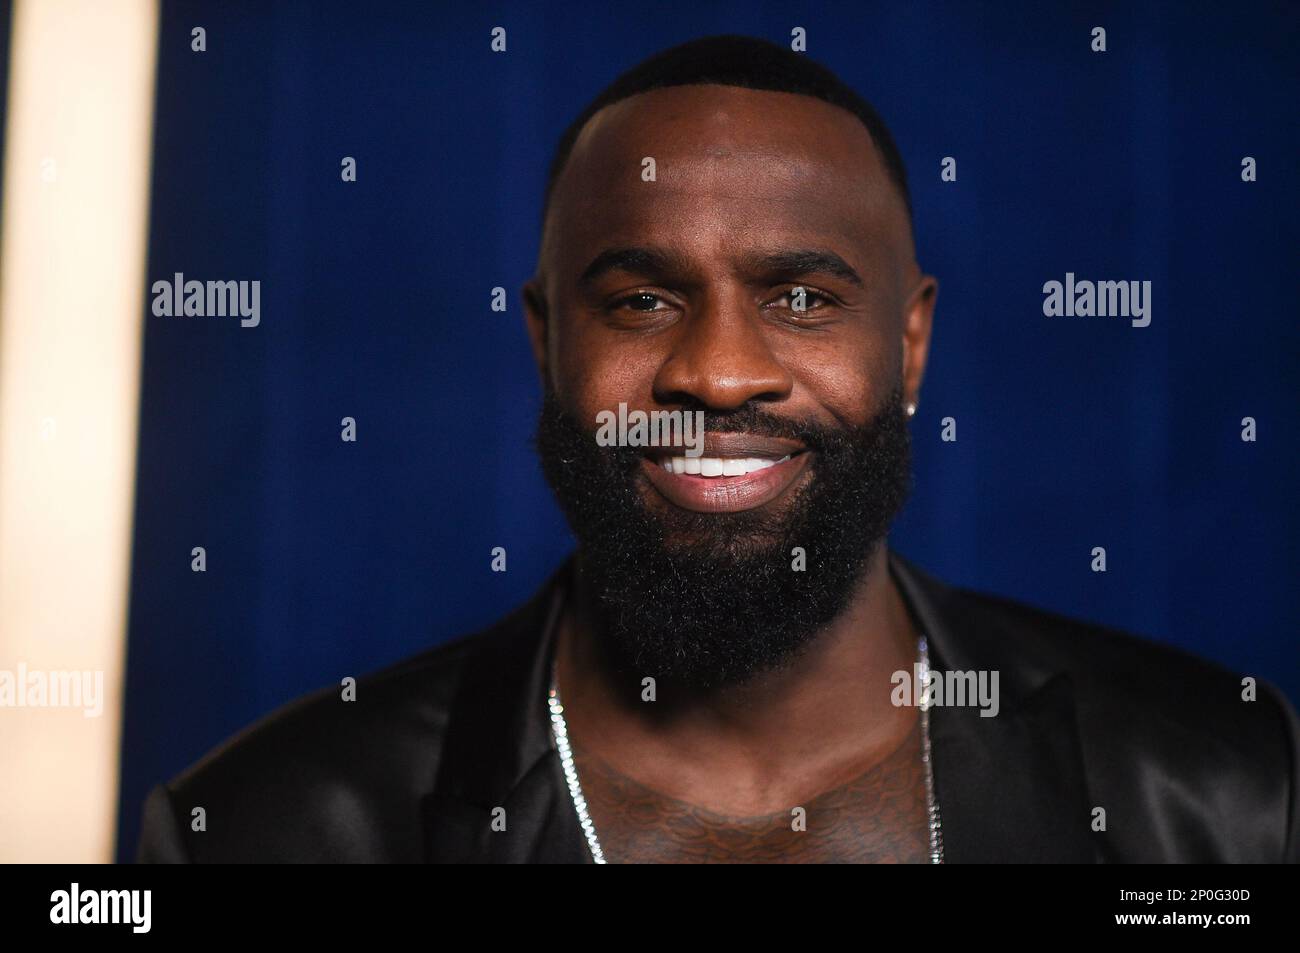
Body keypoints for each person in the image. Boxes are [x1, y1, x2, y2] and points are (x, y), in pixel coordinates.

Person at [137, 34, 1298, 864]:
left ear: (909, 344)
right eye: (641, 301)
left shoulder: (1223, 786)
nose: (718, 372)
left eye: (801, 298)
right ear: (547, 341)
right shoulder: (264, 828)